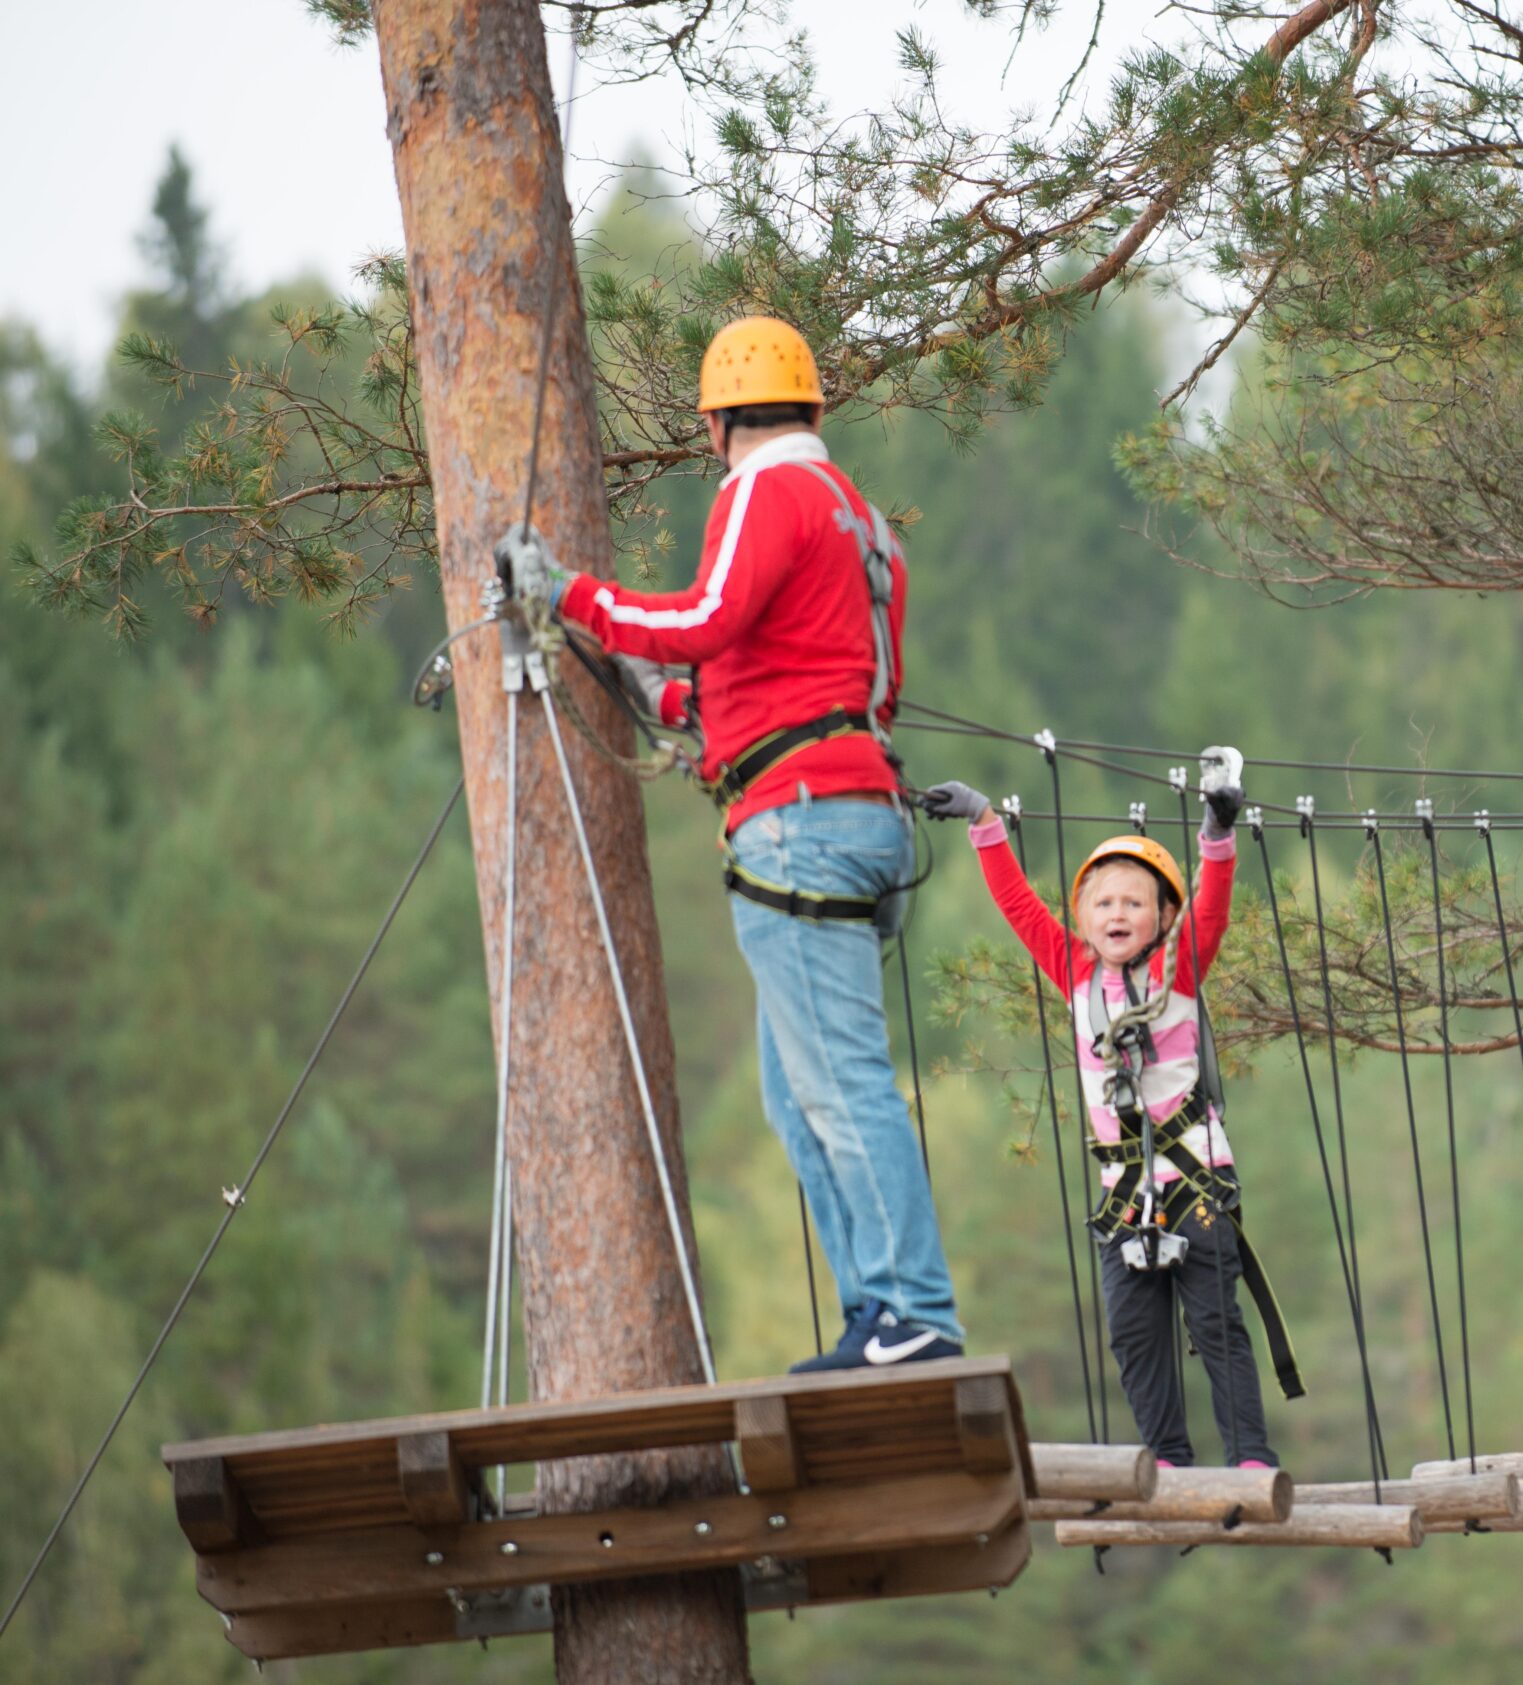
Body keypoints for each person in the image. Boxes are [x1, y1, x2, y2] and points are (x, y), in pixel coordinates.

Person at [498, 314, 963, 1373]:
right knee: (795, 1093)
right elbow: (840, 680)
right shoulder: (859, 517)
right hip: (853, 806)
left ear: (716, 424)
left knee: (837, 1084)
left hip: (800, 819)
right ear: (811, 405)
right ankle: (878, 1311)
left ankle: (913, 1309)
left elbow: (707, 614)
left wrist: (569, 595)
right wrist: (671, 696)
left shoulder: (766, 488)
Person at [916, 758, 1300, 1468]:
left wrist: (1218, 833)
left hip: (1196, 1181)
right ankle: (1169, 1460)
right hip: (1123, 1196)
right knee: (1134, 1334)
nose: (1117, 914)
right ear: (1083, 921)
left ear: (1162, 919)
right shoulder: (1074, 973)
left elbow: (1211, 908)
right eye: (1103, 904)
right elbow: (1020, 906)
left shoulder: (1177, 970)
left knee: (1216, 1321)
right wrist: (984, 821)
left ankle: (1251, 1455)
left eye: (1133, 903)